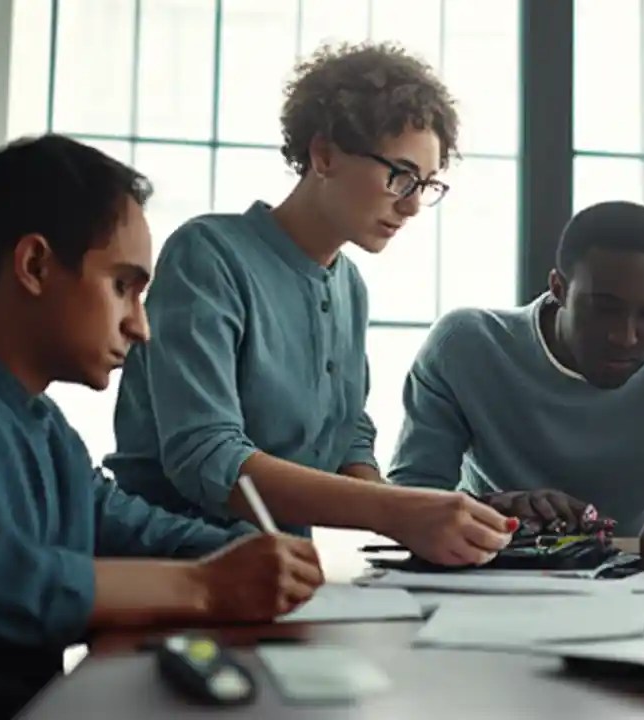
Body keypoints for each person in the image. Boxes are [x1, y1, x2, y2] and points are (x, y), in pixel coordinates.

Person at [0, 135, 324, 718]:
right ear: (35, 265)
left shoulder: (47, 429)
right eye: (123, 286)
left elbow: (135, 528)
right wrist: (204, 587)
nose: (141, 327)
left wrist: (256, 555)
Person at [105, 42, 514, 565]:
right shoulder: (209, 253)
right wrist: (395, 510)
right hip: (171, 563)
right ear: (323, 155)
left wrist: (418, 517)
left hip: (285, 569)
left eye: (427, 185)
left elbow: (348, 441)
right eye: (401, 175)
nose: (412, 205)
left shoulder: (349, 286)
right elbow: (206, 457)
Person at [387, 201, 644, 561]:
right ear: (559, 288)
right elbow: (406, 497)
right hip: (488, 576)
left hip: (632, 592)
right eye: (604, 309)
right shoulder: (467, 345)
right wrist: (498, 508)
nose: (627, 337)